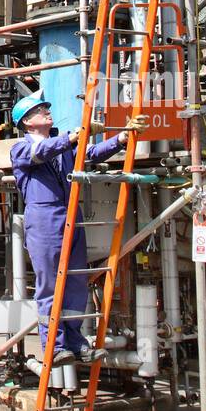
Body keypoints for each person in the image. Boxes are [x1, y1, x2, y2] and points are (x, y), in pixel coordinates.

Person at [10, 91, 148, 364]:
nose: (47, 111)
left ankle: (76, 343)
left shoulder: (61, 148)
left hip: (71, 213)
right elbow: (42, 152)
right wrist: (74, 136)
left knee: (75, 282)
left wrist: (121, 137)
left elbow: (90, 153)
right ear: (27, 122)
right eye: (40, 110)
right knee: (50, 284)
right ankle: (55, 344)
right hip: (44, 218)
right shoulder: (22, 149)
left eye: (47, 108)